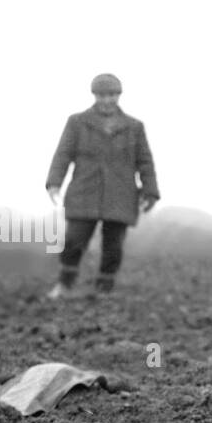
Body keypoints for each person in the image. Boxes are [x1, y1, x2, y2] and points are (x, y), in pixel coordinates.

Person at [45, 74, 159, 297]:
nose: (107, 100)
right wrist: (54, 183)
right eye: (102, 95)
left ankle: (104, 289)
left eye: (112, 95)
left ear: (119, 96)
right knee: (74, 241)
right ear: (94, 95)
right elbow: (63, 154)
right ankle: (65, 284)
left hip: (121, 193)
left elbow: (145, 161)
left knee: (113, 246)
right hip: (84, 191)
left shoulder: (134, 127)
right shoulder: (77, 122)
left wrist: (150, 191)